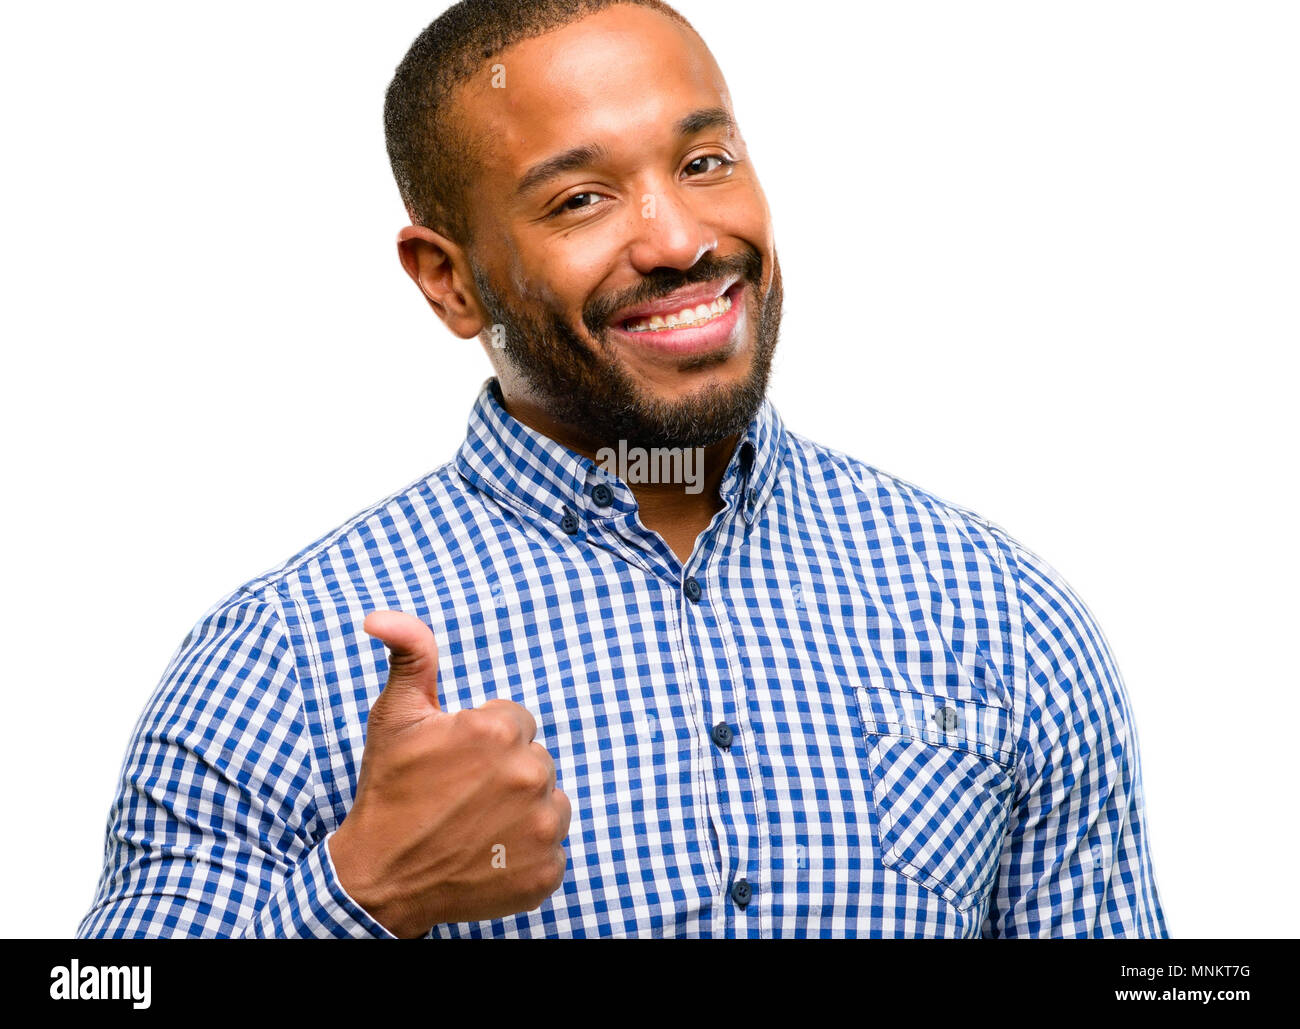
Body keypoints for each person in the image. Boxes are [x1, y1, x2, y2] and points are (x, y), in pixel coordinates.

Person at [78, 0, 1167, 939]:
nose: (678, 239)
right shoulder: (287, 657)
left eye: (704, 164)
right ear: (447, 283)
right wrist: (361, 891)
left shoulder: (995, 607)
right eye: (580, 200)